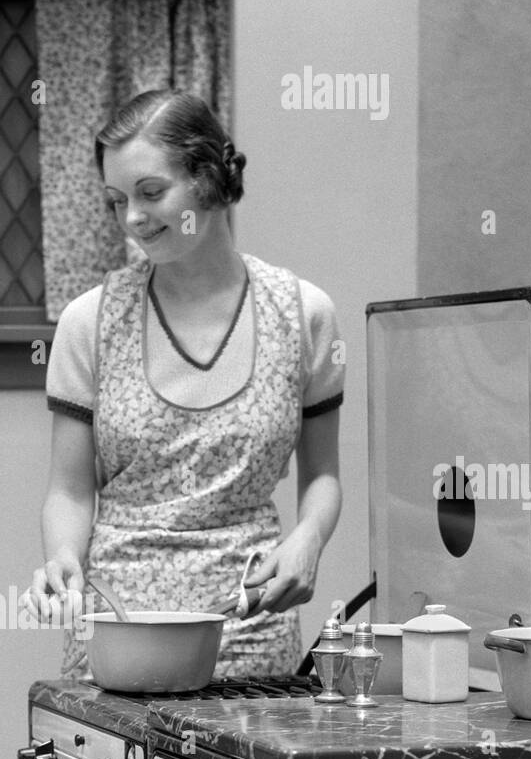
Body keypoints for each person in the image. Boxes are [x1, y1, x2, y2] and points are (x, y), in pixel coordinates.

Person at [28, 89, 344, 677]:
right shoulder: (88, 322)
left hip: (251, 627)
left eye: (151, 193)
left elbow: (323, 475)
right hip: (117, 631)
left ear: (211, 180)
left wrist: (309, 538)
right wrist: (63, 558)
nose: (133, 219)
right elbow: (69, 491)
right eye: (117, 200)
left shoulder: (304, 314)